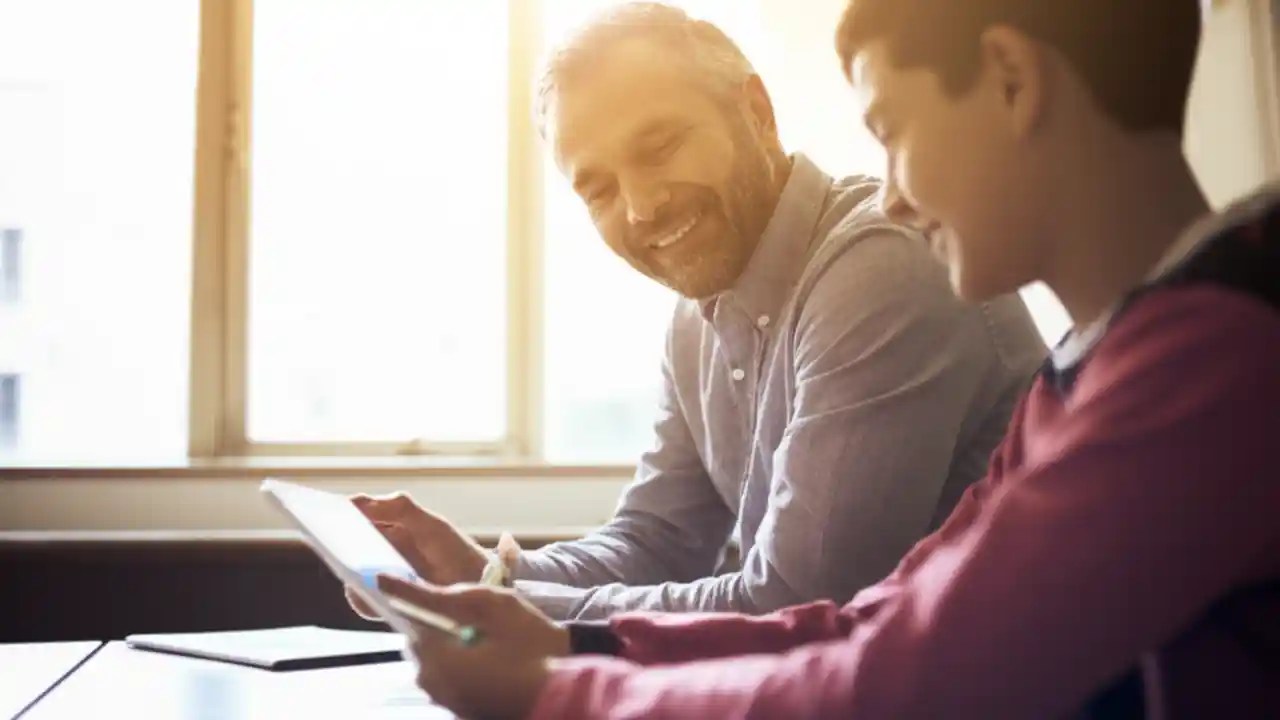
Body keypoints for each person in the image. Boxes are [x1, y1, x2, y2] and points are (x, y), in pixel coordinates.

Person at [375, 0, 1280, 717]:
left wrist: (557, 693)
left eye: (891, 131)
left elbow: (902, 680)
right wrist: (570, 644)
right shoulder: (1088, 374)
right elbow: (872, 620)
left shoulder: (1210, 361)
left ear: (1013, 80)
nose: (894, 195)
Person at [349, 2, 1043, 621]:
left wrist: (504, 603)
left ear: (756, 113)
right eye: (598, 190)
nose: (641, 207)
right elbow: (656, 540)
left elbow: (797, 603)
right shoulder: (697, 318)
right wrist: (485, 572)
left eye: (658, 149)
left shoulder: (880, 267)